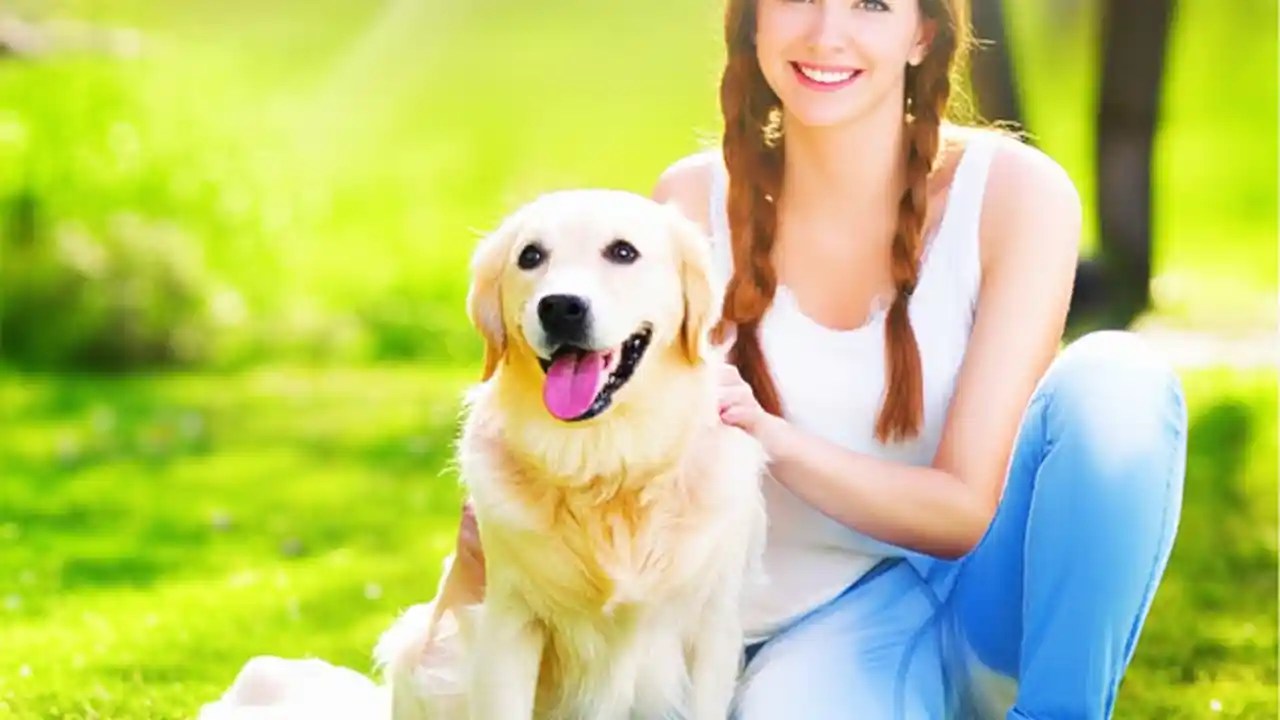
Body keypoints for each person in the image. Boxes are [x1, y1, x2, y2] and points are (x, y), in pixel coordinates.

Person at [447, 0, 1187, 718]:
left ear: (923, 32)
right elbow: (645, 437)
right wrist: (507, 529)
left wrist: (774, 437)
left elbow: (963, 511)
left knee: (1120, 383)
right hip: (821, 628)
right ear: (753, 20)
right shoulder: (688, 202)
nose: (827, 32)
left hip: (996, 601)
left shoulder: (1017, 194)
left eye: (870, 3)